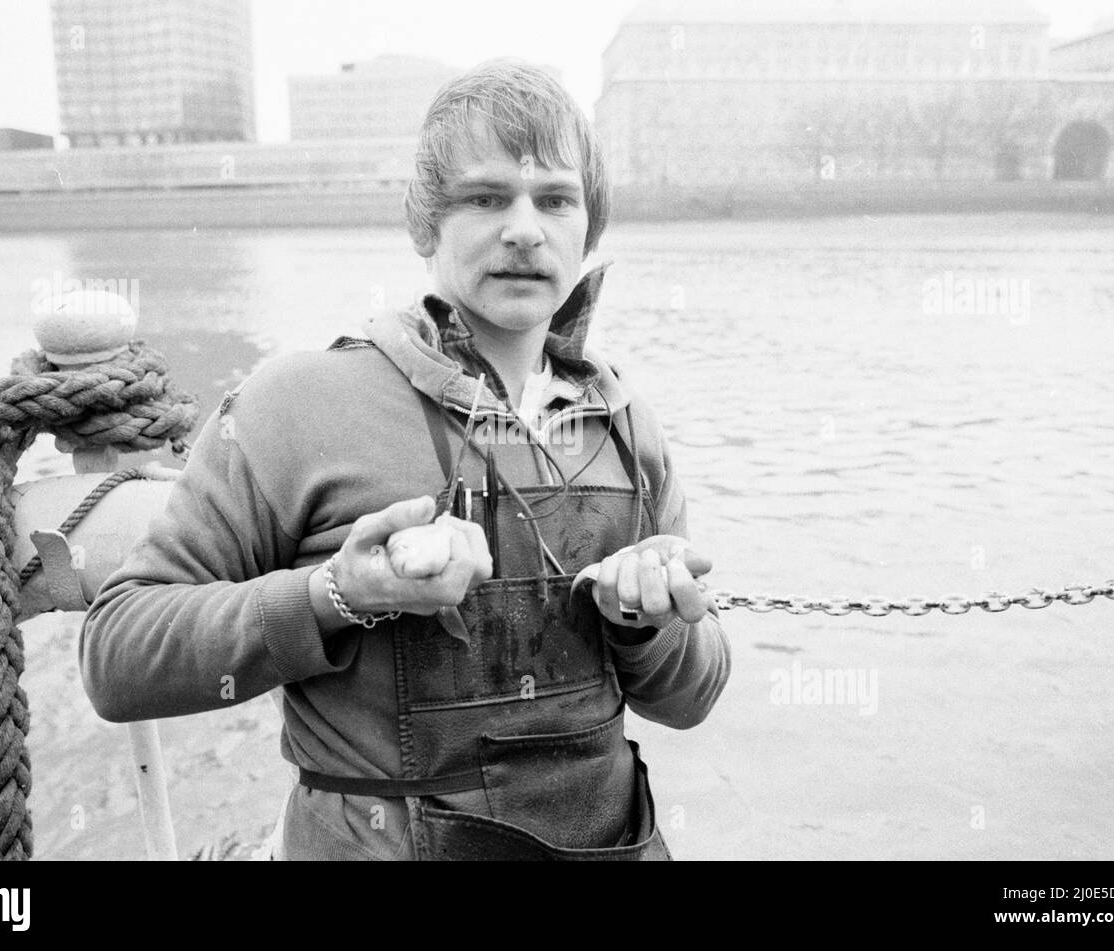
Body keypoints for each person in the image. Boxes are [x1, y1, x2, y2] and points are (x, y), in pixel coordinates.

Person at [81, 58, 731, 861]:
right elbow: (115, 654)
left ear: (587, 227)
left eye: (555, 199)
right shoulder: (295, 404)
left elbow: (692, 696)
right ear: (425, 223)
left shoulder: (627, 426)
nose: (524, 228)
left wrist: (646, 625)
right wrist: (338, 593)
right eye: (486, 197)